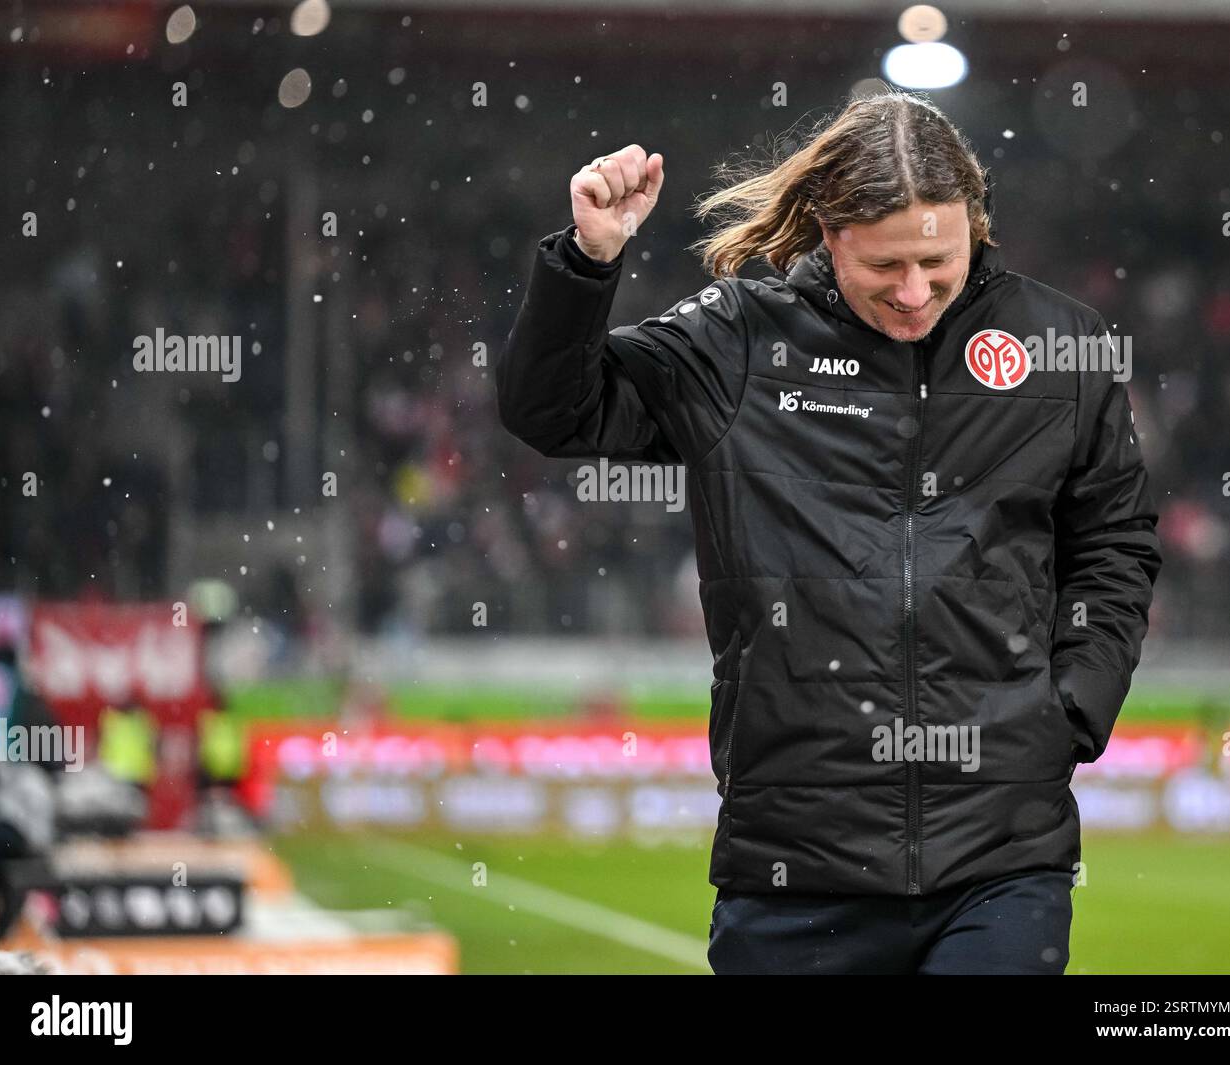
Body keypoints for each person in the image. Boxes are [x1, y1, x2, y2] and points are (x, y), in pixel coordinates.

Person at [496, 89, 1162, 975]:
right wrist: (588, 262)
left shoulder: (1064, 349)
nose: (916, 291)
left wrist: (1072, 704)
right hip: (794, 870)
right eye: (888, 265)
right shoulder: (739, 339)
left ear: (978, 223)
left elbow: (1114, 541)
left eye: (939, 260)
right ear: (826, 230)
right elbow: (555, 412)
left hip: (1001, 863)